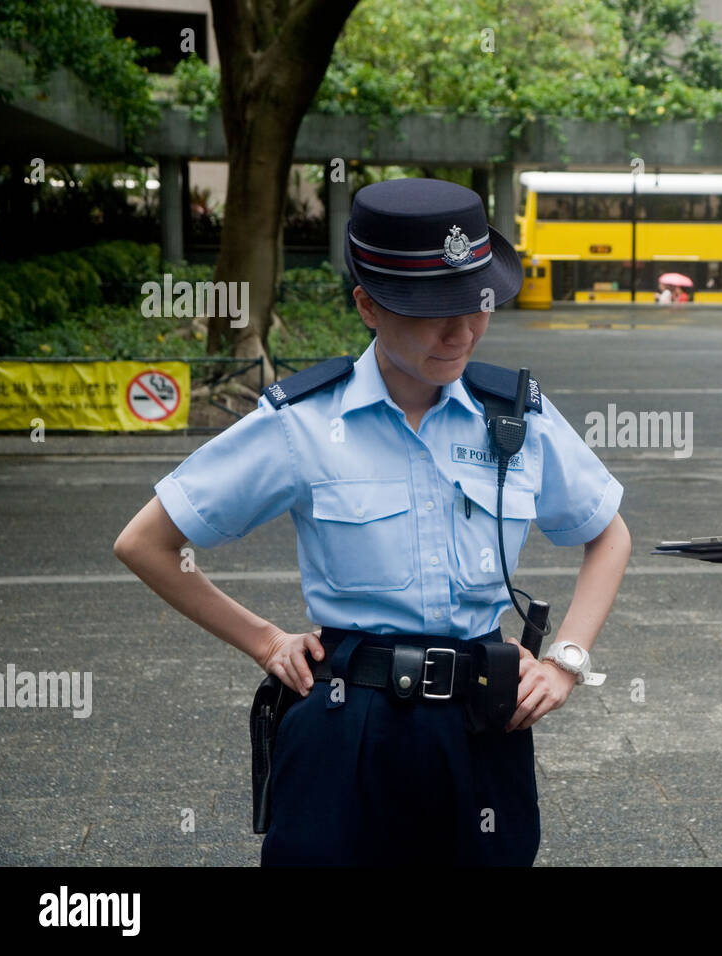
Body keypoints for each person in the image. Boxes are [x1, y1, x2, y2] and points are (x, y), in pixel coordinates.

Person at [113, 177, 631, 866]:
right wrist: (265, 641)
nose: (461, 331)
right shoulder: (303, 422)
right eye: (429, 311)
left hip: (480, 726)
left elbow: (607, 532)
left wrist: (566, 660)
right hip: (344, 724)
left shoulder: (515, 415)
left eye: (475, 306)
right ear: (366, 305)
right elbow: (147, 542)